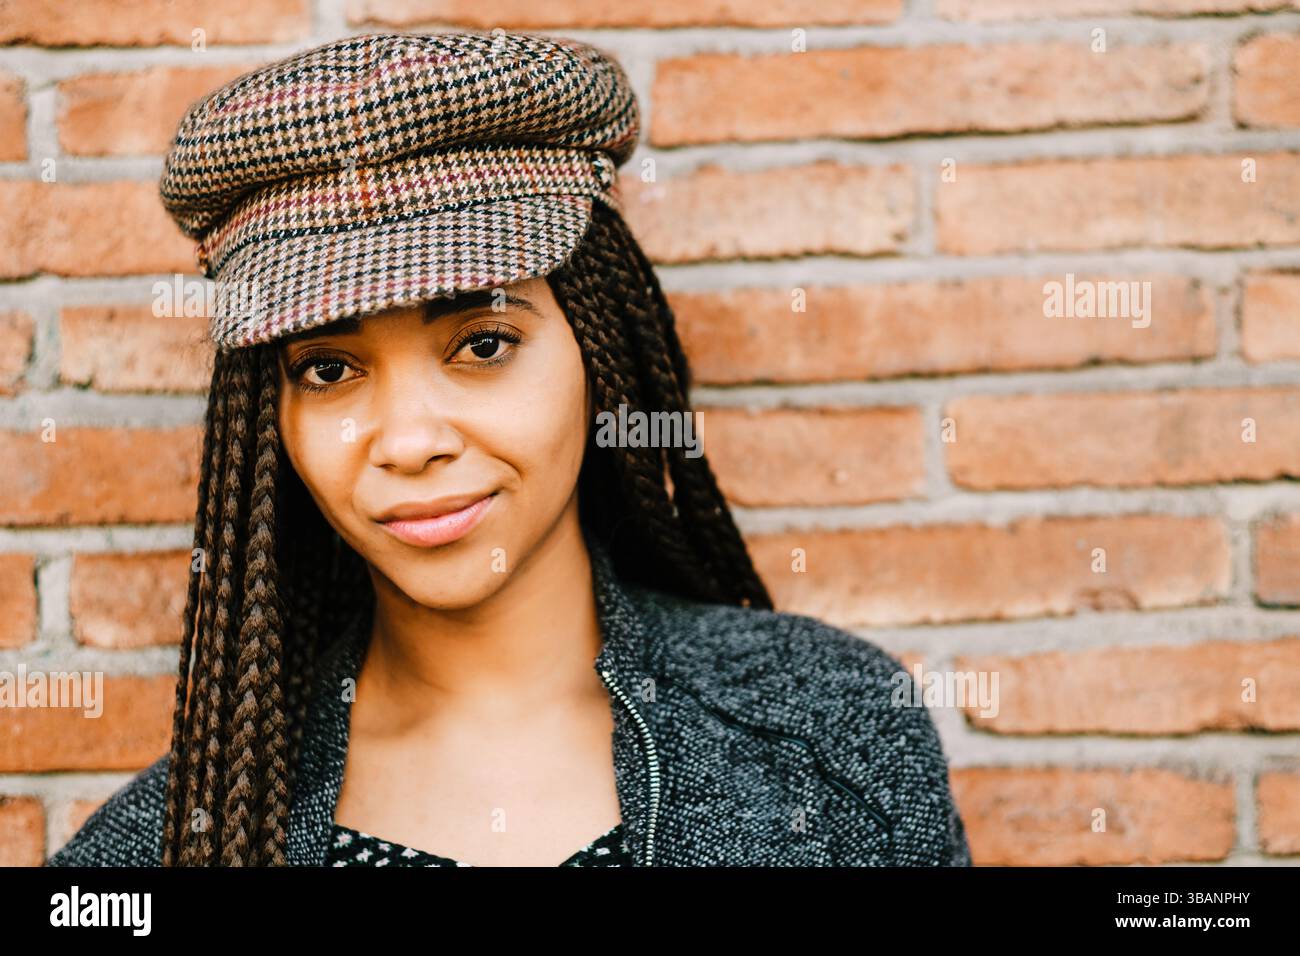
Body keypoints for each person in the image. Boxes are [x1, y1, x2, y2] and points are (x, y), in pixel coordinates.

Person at [45, 29, 970, 867]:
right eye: (328, 369)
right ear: (270, 419)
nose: (410, 441)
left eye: (483, 344)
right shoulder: (162, 852)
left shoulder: (833, 729)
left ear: (600, 354)